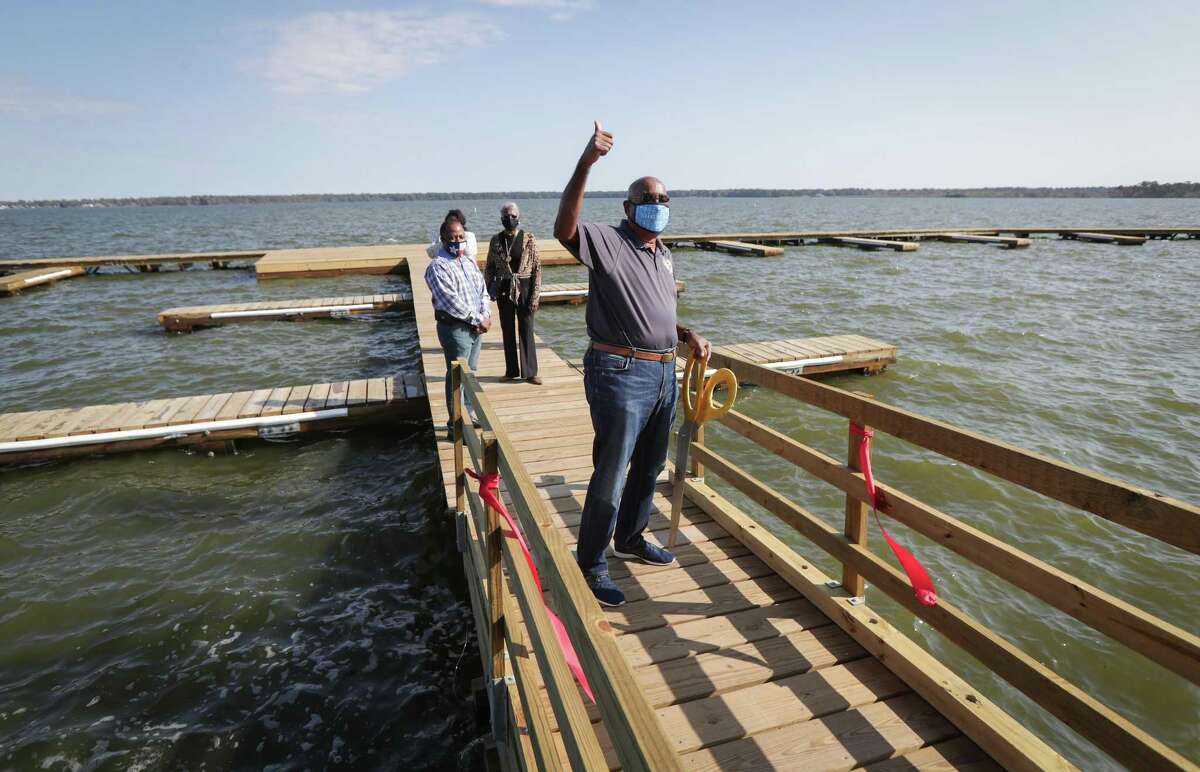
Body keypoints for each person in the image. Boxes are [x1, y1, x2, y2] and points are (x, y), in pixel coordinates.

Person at [554, 121, 711, 607]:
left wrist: (686, 335)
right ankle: (591, 563)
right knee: (612, 470)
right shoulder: (608, 241)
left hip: (665, 371)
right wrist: (586, 163)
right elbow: (565, 230)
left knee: (649, 466)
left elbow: (655, 312)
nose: (657, 205)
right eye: (647, 198)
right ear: (627, 207)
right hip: (620, 373)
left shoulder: (663, 254)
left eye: (663, 199)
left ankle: (631, 538)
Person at [425, 217, 491, 440]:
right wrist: (476, 318)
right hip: (456, 329)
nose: (457, 241)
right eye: (452, 238)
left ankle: (469, 415)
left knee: (470, 374)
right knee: (456, 378)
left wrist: (486, 314)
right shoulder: (437, 266)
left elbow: (482, 290)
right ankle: (455, 425)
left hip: (475, 328)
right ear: (443, 240)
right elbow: (449, 300)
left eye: (461, 237)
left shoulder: (468, 261)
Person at [485, 202, 542, 384]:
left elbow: (537, 269)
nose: (509, 219)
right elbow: (490, 267)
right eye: (506, 216)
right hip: (504, 288)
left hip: (525, 286)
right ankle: (511, 371)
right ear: (501, 218)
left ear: (519, 217)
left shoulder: (529, 239)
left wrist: (535, 295)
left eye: (513, 216)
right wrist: (487, 291)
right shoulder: (495, 240)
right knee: (507, 329)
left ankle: (530, 372)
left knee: (526, 329)